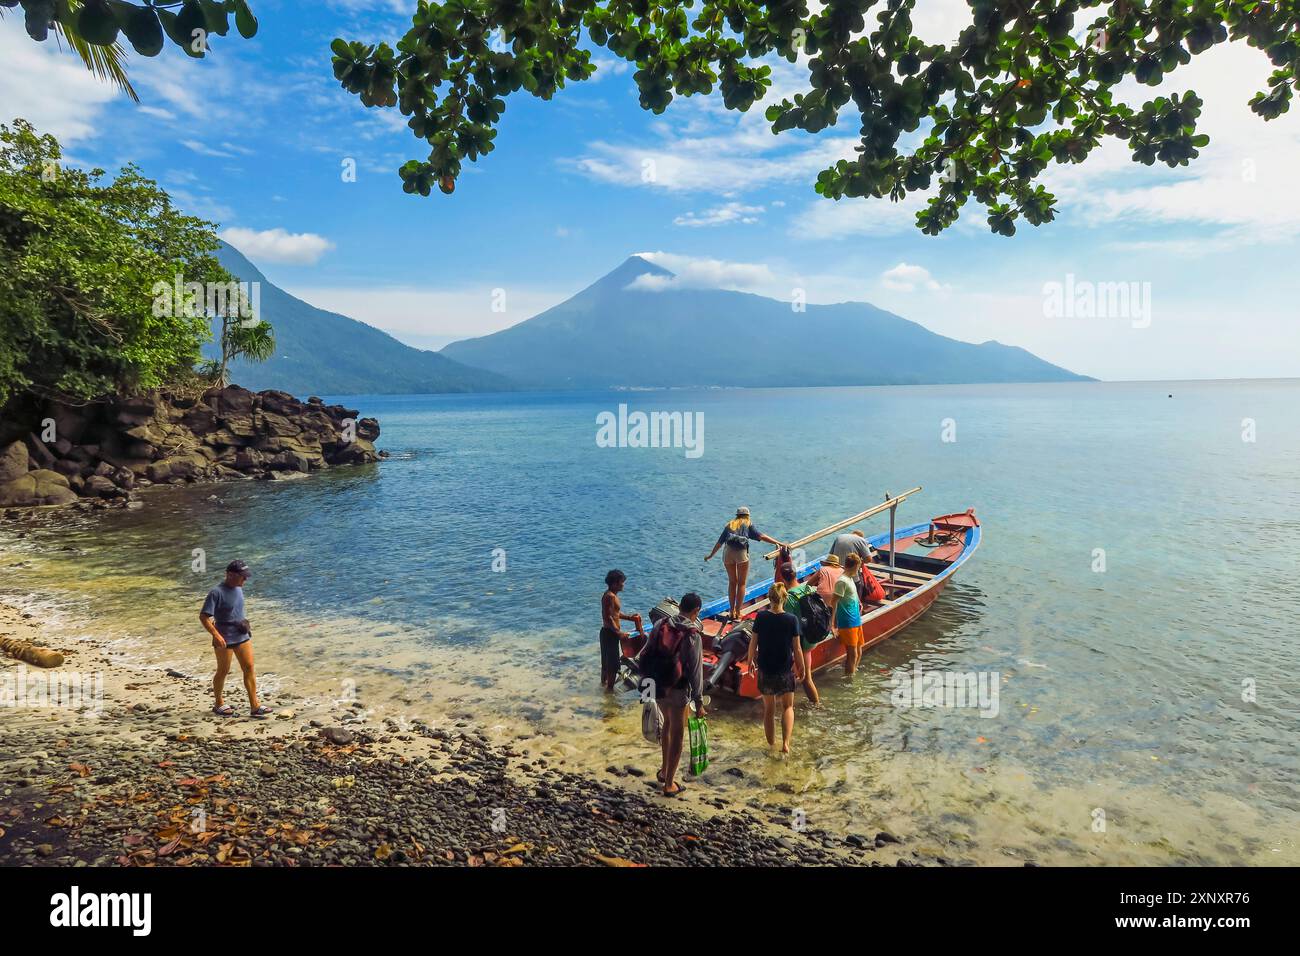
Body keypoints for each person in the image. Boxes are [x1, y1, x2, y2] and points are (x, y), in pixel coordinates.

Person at [647, 592, 706, 797]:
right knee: (678, 735)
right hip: (679, 689)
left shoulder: (660, 623)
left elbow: (647, 651)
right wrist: (699, 702)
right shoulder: (692, 635)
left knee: (668, 726)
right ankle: (670, 784)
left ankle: (664, 771)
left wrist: (647, 687)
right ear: (696, 611)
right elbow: (696, 671)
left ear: (679, 606)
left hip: (659, 685)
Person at [199, 559, 272, 718]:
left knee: (249, 667)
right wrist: (216, 635)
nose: (245, 579)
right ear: (230, 575)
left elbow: (235, 611)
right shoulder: (216, 592)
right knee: (223, 671)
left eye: (246, 576)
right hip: (223, 638)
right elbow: (204, 617)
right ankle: (218, 703)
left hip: (241, 633)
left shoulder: (239, 588)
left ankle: (255, 706)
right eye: (242, 576)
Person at [747, 583, 804, 754]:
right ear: (784, 598)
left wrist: (750, 660)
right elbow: (797, 648)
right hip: (785, 669)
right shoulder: (791, 619)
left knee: (769, 710)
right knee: (788, 707)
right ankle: (786, 743)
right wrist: (801, 666)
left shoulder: (761, 617)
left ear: (769, 599)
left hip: (766, 668)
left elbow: (753, 641)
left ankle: (771, 745)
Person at [705, 507, 785, 622]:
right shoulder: (748, 524)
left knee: (732, 582)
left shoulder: (730, 525)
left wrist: (710, 556)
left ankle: (731, 611)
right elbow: (762, 536)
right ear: (747, 515)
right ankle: (738, 612)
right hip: (741, 554)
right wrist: (779, 543)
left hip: (728, 554)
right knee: (741, 584)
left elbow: (719, 542)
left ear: (737, 515)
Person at [600, 569, 642, 692]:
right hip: (610, 634)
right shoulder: (609, 597)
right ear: (614, 583)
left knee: (606, 662)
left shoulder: (611, 595)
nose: (623, 584)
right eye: (621, 582)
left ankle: (603, 687)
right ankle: (609, 692)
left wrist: (629, 617)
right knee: (612, 665)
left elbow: (615, 614)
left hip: (608, 633)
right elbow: (608, 617)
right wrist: (619, 634)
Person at [783, 580, 822, 705]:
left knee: (806, 678)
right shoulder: (808, 588)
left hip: (802, 642)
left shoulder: (789, 598)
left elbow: (789, 627)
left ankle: (816, 705)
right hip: (812, 637)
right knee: (803, 676)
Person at [831, 553, 866, 676]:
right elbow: (833, 602)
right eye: (858, 567)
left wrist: (859, 602)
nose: (859, 570)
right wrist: (833, 626)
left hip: (856, 620)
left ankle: (853, 674)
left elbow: (853, 595)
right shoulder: (841, 581)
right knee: (852, 654)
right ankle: (849, 679)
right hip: (847, 622)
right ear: (854, 566)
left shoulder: (850, 579)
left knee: (859, 651)